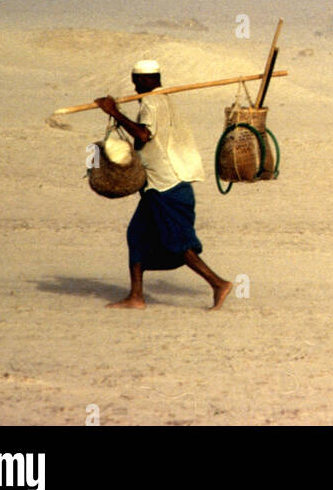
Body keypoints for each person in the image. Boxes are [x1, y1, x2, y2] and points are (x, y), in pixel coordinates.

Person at [95, 59, 232, 310]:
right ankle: (136, 296)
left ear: (144, 80)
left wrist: (113, 112)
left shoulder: (151, 102)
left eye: (137, 82)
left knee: (179, 243)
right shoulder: (164, 100)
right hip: (158, 186)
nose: (135, 87)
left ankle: (217, 283)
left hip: (165, 187)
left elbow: (143, 134)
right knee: (136, 235)